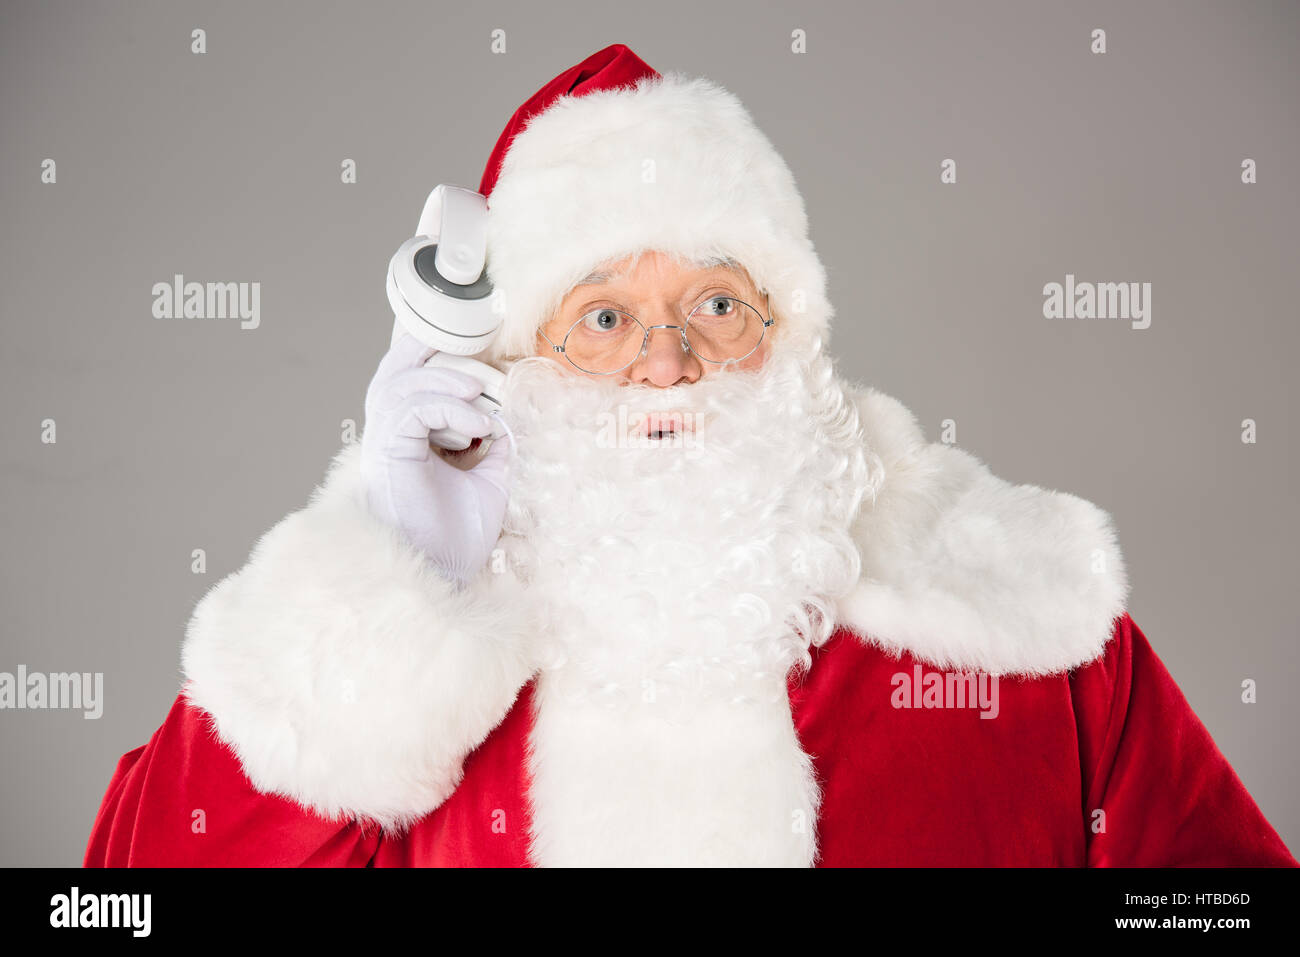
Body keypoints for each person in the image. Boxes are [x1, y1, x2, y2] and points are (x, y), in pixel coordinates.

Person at [84, 44, 1296, 868]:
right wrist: (386, 571)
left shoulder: (1016, 622)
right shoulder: (399, 681)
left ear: (791, 338)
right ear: (510, 370)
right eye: (601, 319)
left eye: (717, 304)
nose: (668, 365)